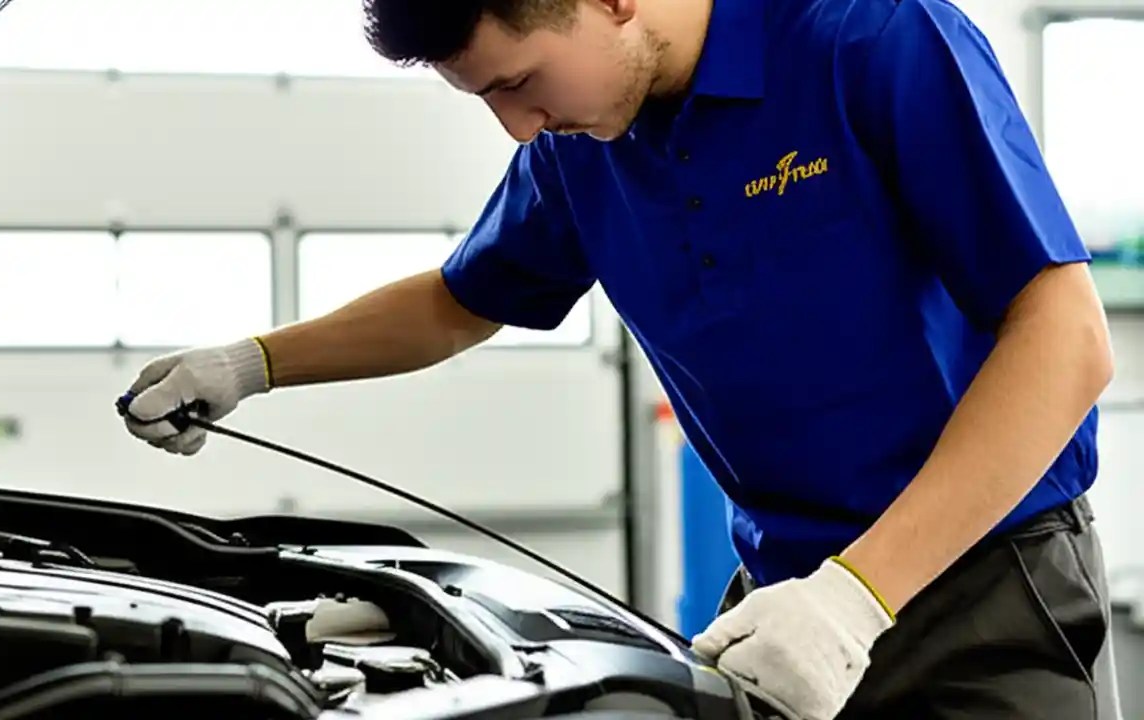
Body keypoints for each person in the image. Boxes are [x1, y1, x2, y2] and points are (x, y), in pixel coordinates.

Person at [119, 1, 1123, 718]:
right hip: (781, 589)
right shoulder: (580, 145)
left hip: (978, 582)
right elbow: (456, 303)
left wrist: (856, 597)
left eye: (517, 82)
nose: (516, 125)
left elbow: (1066, 339)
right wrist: (249, 363)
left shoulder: (867, 40)